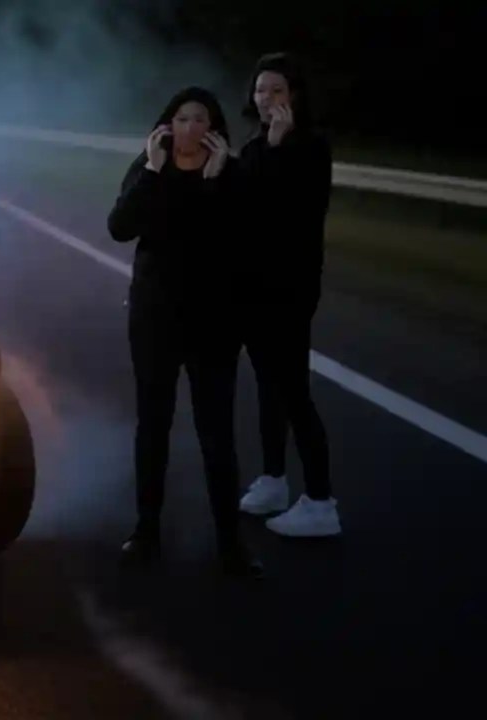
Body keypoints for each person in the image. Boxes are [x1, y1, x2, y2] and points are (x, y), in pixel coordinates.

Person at [108, 86, 262, 577]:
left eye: (200, 121)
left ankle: (230, 546)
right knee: (153, 425)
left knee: (216, 432)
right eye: (181, 119)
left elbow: (234, 240)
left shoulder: (231, 176)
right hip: (154, 319)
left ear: (214, 132)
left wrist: (216, 181)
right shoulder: (148, 167)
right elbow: (120, 227)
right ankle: (146, 530)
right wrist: (152, 172)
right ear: (166, 125)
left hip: (213, 322)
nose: (189, 130)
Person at [234, 52, 342, 537]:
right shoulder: (255, 147)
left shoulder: (311, 148)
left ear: (294, 95)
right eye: (261, 90)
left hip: (291, 287)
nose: (267, 99)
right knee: (266, 384)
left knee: (293, 388)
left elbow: (293, 213)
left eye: (277, 90)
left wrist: (279, 147)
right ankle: (273, 478)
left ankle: (321, 502)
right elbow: (247, 211)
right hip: (254, 285)